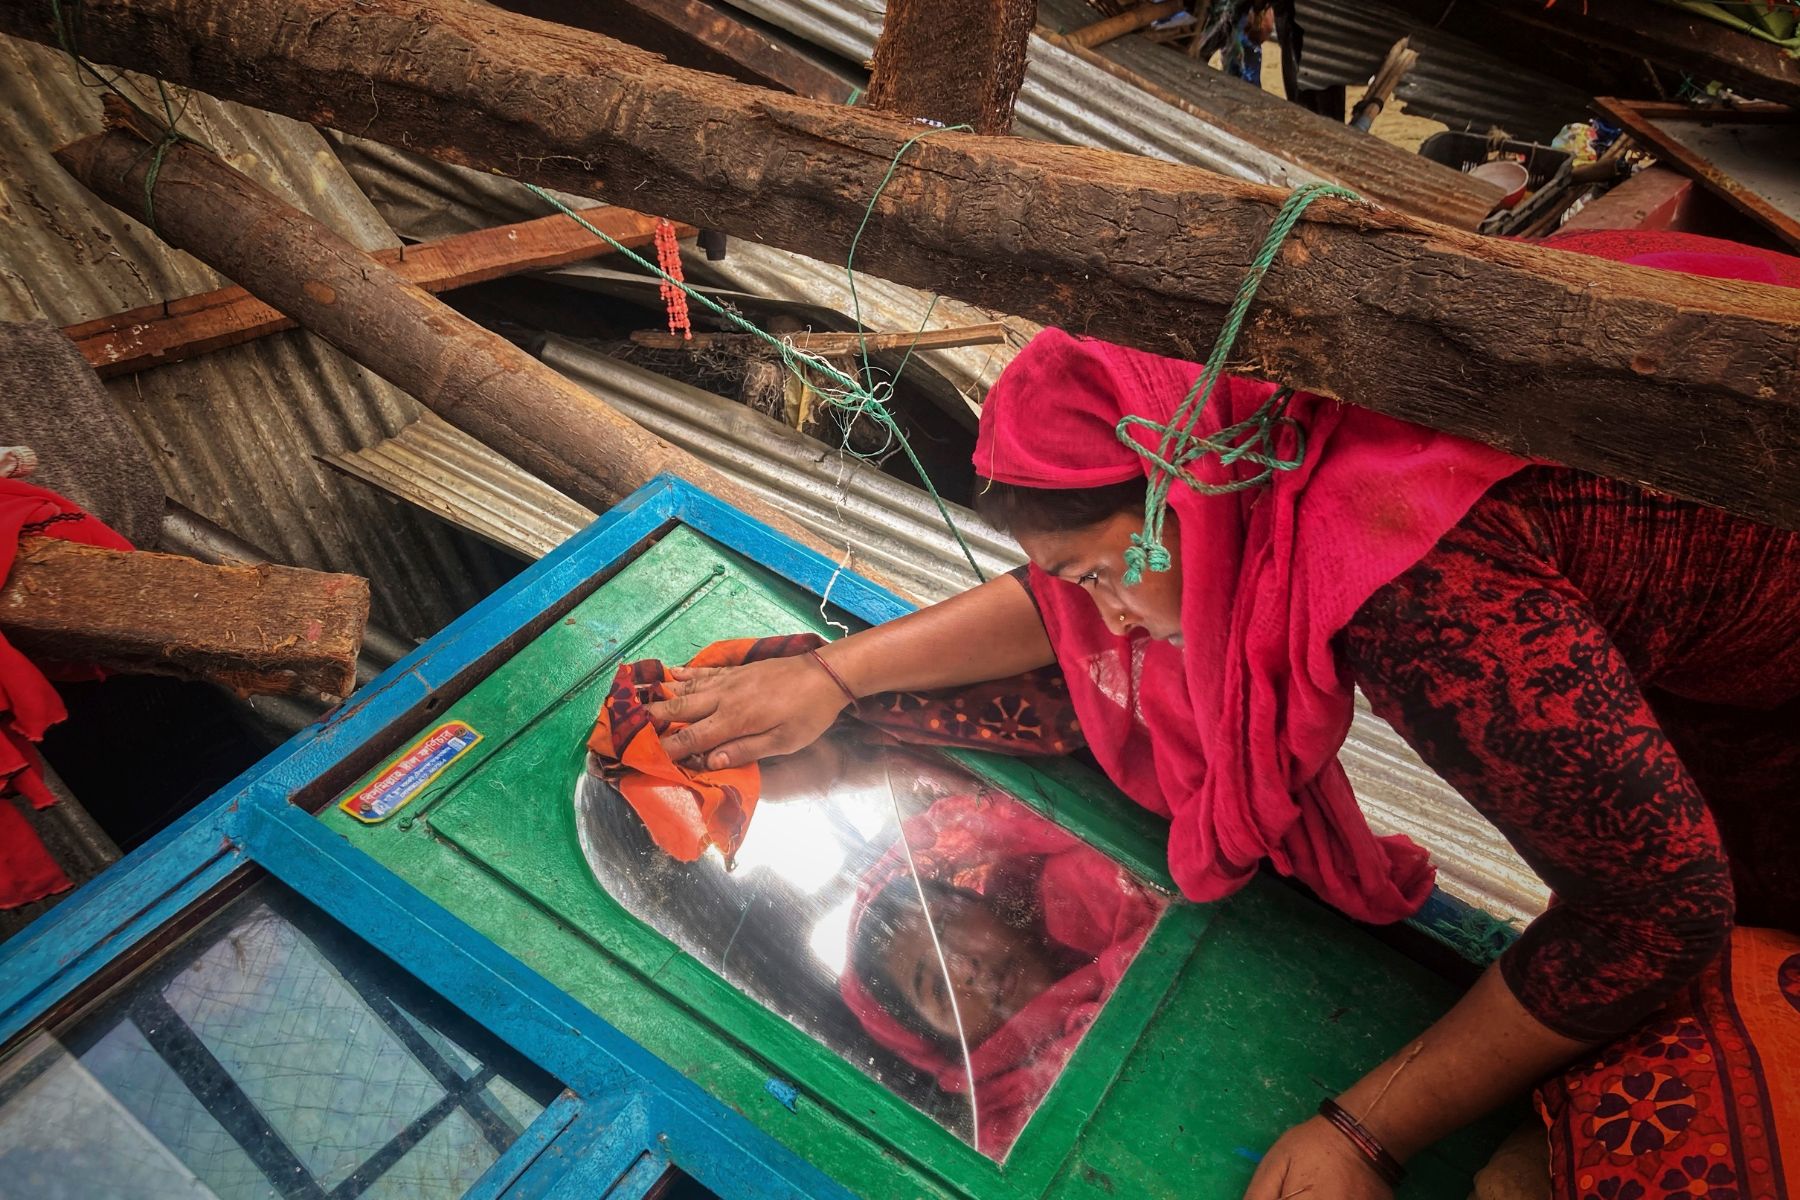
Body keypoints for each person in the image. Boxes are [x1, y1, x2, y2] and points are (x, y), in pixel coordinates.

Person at [645, 229, 1800, 1197]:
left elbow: (1658, 907)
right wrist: (838, 681)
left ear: (1181, 499)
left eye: (1100, 572)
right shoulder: (1277, 433)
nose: (1101, 617)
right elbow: (1061, 606)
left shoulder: (1410, 591)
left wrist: (1366, 1131)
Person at [840, 791, 1162, 1159]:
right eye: (939, 989)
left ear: (977, 899)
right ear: (944, 1043)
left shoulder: (1093, 873)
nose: (967, 970)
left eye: (949, 925)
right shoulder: (1013, 1139)